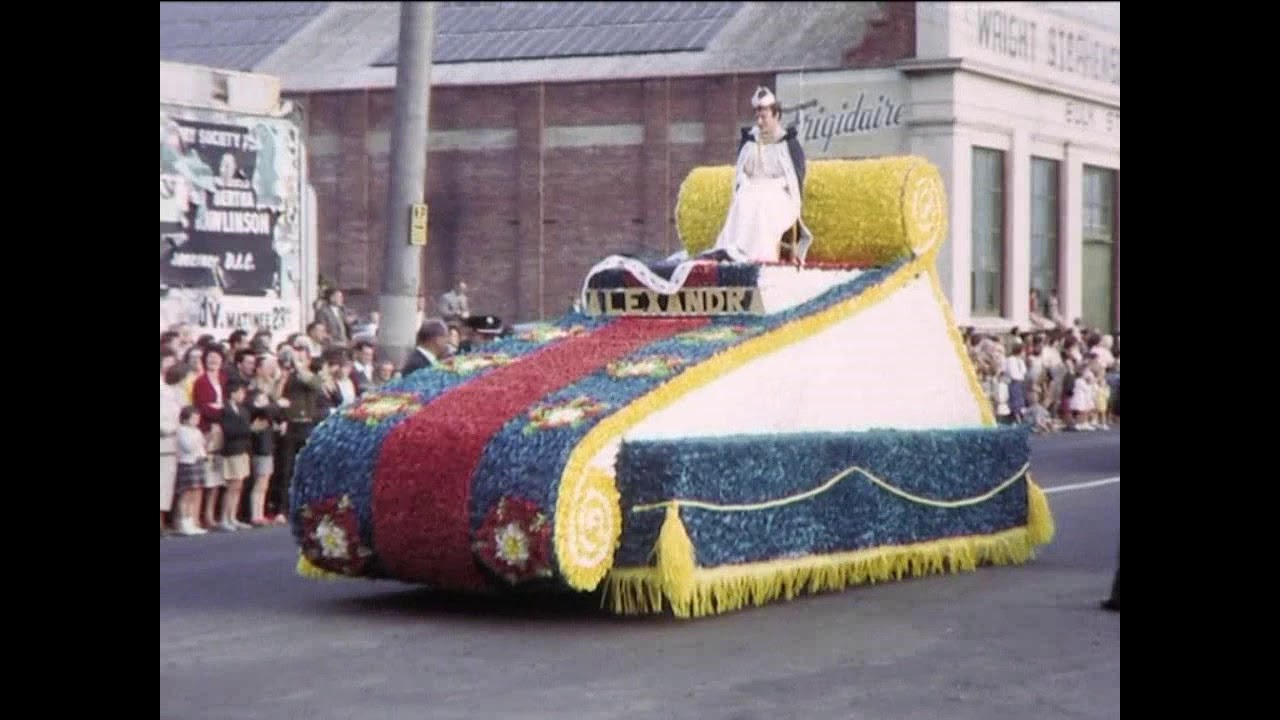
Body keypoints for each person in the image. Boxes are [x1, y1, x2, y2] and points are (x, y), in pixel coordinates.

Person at [710, 86, 813, 264]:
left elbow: (795, 177)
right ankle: (737, 251)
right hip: (751, 190)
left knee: (764, 205)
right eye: (757, 117)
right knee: (743, 200)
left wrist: (772, 186)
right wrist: (747, 183)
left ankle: (762, 255)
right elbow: (741, 172)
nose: (759, 122)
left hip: (780, 195)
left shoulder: (788, 142)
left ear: (776, 115)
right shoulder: (750, 140)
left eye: (764, 117)